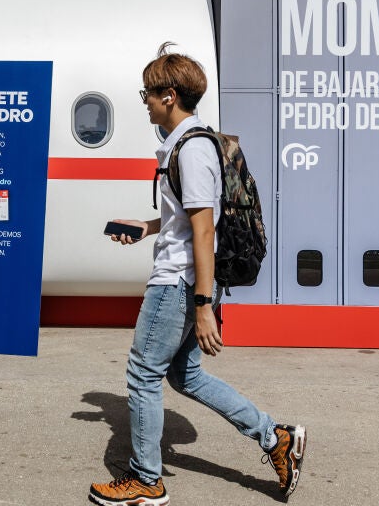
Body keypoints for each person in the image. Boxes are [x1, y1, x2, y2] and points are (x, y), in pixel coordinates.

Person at [89, 45, 305, 505]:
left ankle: (146, 482)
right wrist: (147, 227)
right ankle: (274, 437)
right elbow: (189, 222)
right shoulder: (184, 146)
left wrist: (204, 306)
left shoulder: (191, 149)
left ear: (169, 96)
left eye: (147, 92)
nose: (143, 100)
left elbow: (205, 230)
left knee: (143, 373)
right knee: (185, 376)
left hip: (179, 282)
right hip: (190, 278)